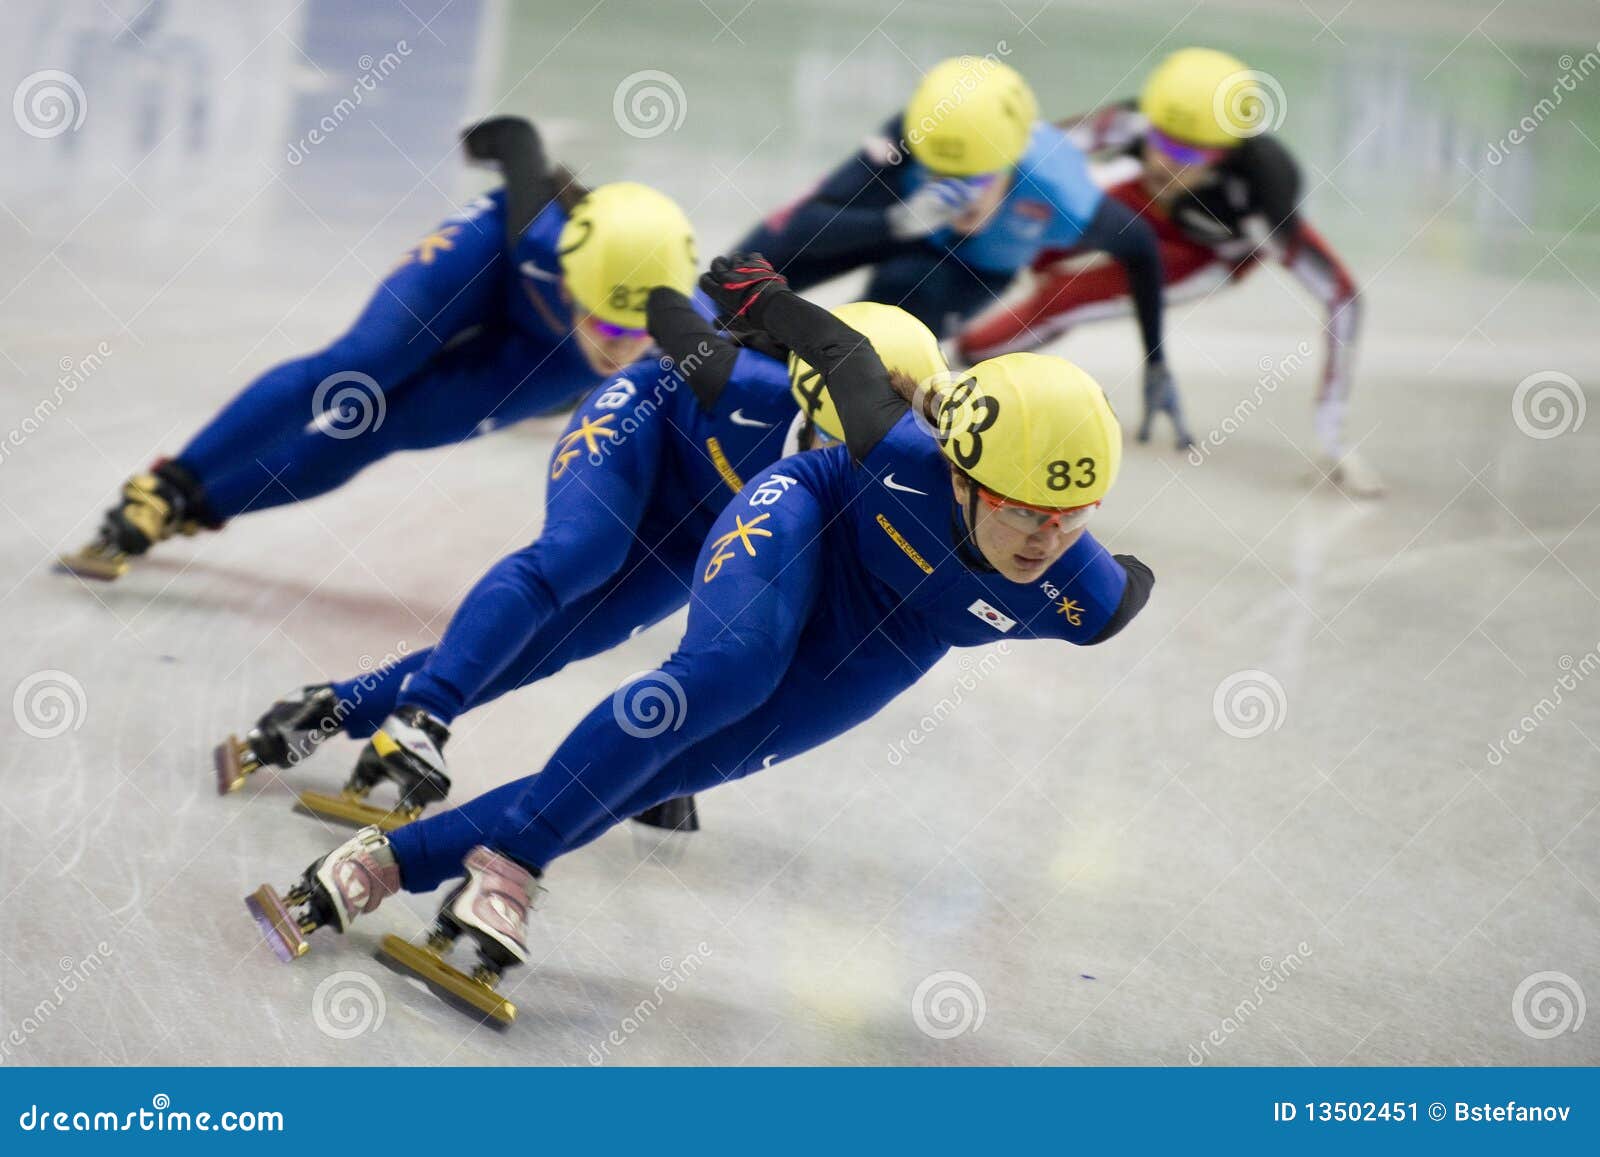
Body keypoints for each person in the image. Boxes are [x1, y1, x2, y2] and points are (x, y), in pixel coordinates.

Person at [244, 253, 1154, 1025]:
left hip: (891, 629)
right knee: (719, 675)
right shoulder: (892, 450)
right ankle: (507, 859)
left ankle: (384, 860)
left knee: (682, 764)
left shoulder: (1084, 596)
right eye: (1020, 508)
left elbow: (1129, 588)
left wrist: (1100, 554)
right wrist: (762, 299)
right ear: (958, 471)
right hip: (799, 517)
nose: (1043, 537)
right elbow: (835, 348)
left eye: (1070, 519)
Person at [217, 295, 949, 838]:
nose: (864, 462)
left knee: (556, 644)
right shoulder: (747, 387)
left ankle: (332, 707)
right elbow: (667, 304)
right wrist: (728, 310)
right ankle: (424, 712)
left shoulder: (901, 482)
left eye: (884, 446)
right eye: (845, 438)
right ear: (810, 399)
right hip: (636, 437)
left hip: (696, 527)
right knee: (578, 556)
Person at [58, 117, 699, 579]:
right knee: (360, 370)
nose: (622, 350)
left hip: (543, 352)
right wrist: (490, 140)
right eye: (611, 327)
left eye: (644, 331)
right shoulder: (536, 235)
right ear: (570, 284)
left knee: (381, 430)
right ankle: (166, 484)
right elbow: (518, 139)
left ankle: (194, 508)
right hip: (484, 264)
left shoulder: (681, 324)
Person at [958, 48, 1378, 494]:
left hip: (1205, 256)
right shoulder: (1138, 122)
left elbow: (1342, 296)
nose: (1162, 160)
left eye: (1183, 151)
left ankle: (967, 358)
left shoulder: (1262, 196)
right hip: (1150, 204)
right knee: (1032, 221)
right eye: (1160, 140)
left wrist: (1333, 436)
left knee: (1066, 297)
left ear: (1223, 155)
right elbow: (1032, 146)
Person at [737, 56, 1184, 442]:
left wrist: (1155, 362)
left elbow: (1142, 251)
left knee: (888, 317)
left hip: (974, 269)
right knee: (750, 273)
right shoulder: (913, 139)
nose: (961, 199)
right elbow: (798, 227)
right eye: (942, 177)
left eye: (976, 179)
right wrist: (895, 222)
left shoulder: (1060, 196)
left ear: (1011, 165)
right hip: (906, 225)